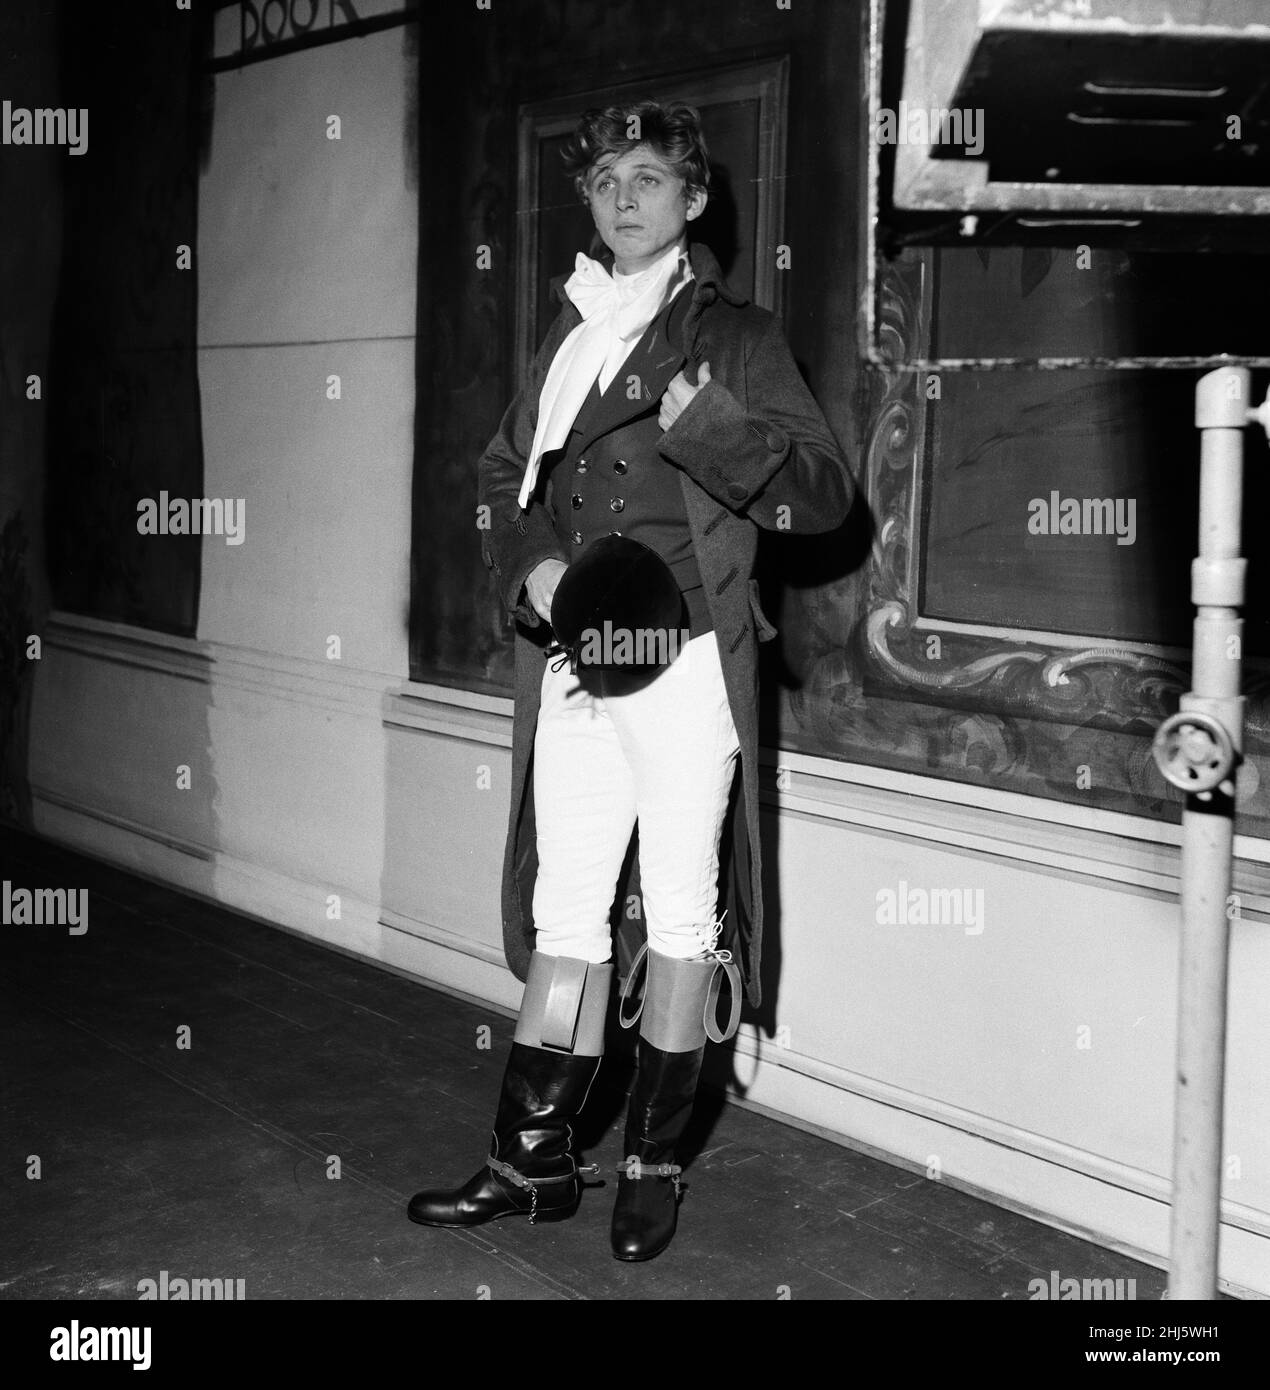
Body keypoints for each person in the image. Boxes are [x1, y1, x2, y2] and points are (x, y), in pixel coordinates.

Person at [408, 100, 854, 1260]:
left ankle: (654, 1161)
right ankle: (533, 1159)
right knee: (567, 906)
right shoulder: (569, 331)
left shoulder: (741, 337)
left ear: (693, 201)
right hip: (577, 656)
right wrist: (536, 568)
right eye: (606, 179)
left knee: (684, 908)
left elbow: (823, 495)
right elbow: (502, 468)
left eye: (648, 178)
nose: (622, 198)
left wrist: (710, 426)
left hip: (685, 658)